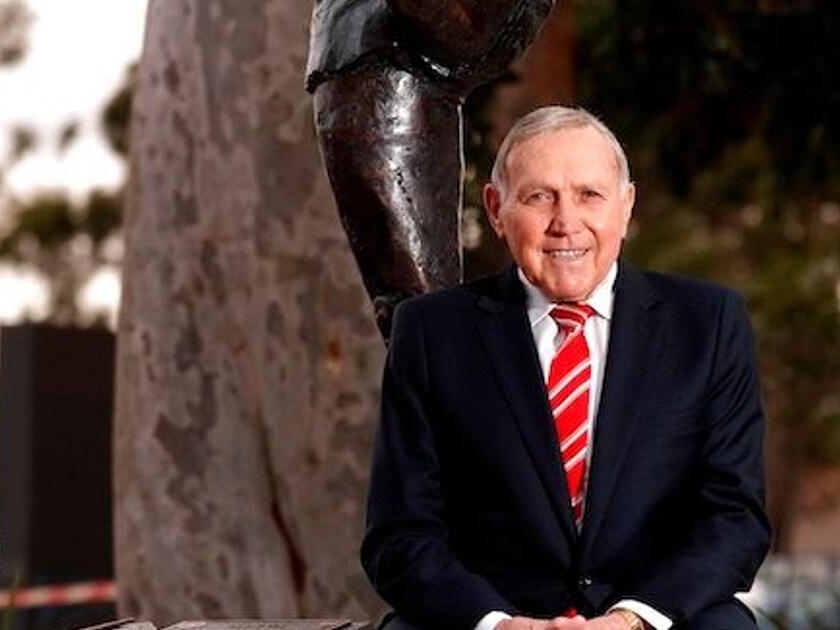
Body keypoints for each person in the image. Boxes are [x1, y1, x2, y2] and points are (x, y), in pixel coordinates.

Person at [362, 105, 771, 630]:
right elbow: (399, 533)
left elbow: (736, 519)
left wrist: (629, 620)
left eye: (589, 195)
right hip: (489, 618)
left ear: (626, 206)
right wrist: (500, 624)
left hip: (656, 616)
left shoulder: (709, 324)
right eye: (539, 197)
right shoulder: (429, 332)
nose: (565, 223)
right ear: (495, 208)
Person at [306, 0, 554, 339]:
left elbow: (470, 35)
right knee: (414, 315)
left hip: (392, 75)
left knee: (422, 315)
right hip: (354, 66)